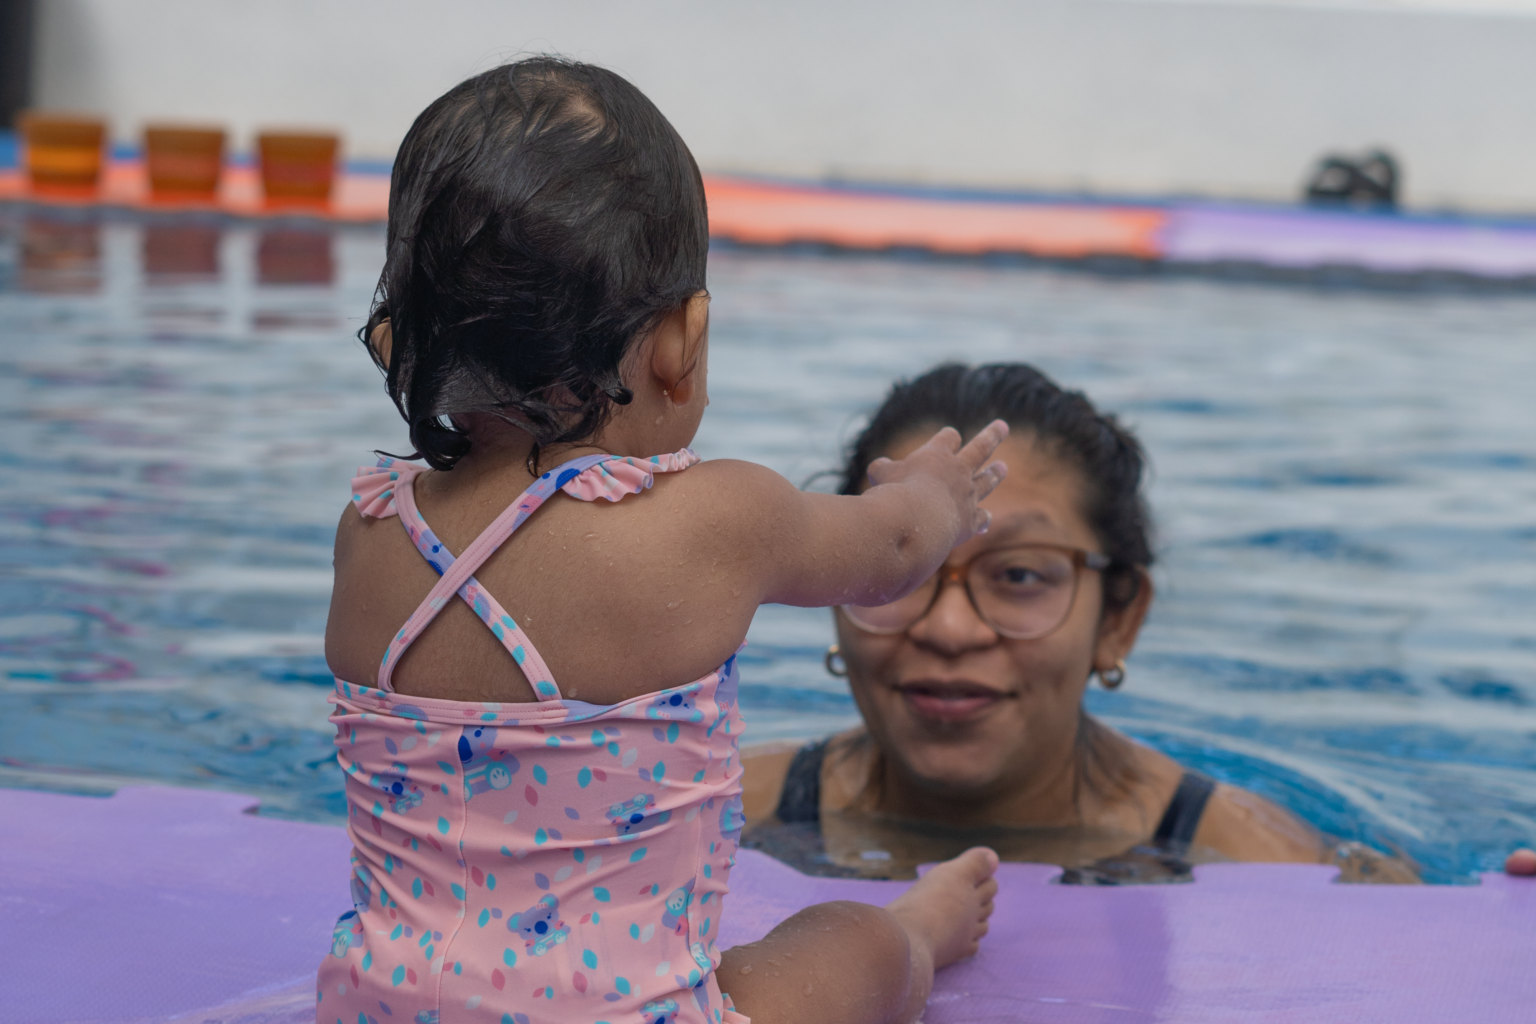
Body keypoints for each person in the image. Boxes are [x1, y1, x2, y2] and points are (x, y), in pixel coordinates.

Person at [318, 59, 1006, 1024]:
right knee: (851, 943)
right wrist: (935, 494)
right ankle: (919, 933)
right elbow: (889, 552)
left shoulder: (368, 535)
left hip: (372, 1012)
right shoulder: (713, 523)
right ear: (681, 345)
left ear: (396, 344)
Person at [741, 363, 1413, 884]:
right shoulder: (729, 808)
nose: (949, 629)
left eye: (1021, 575)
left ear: (1119, 619)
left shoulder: (1262, 859)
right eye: (902, 570)